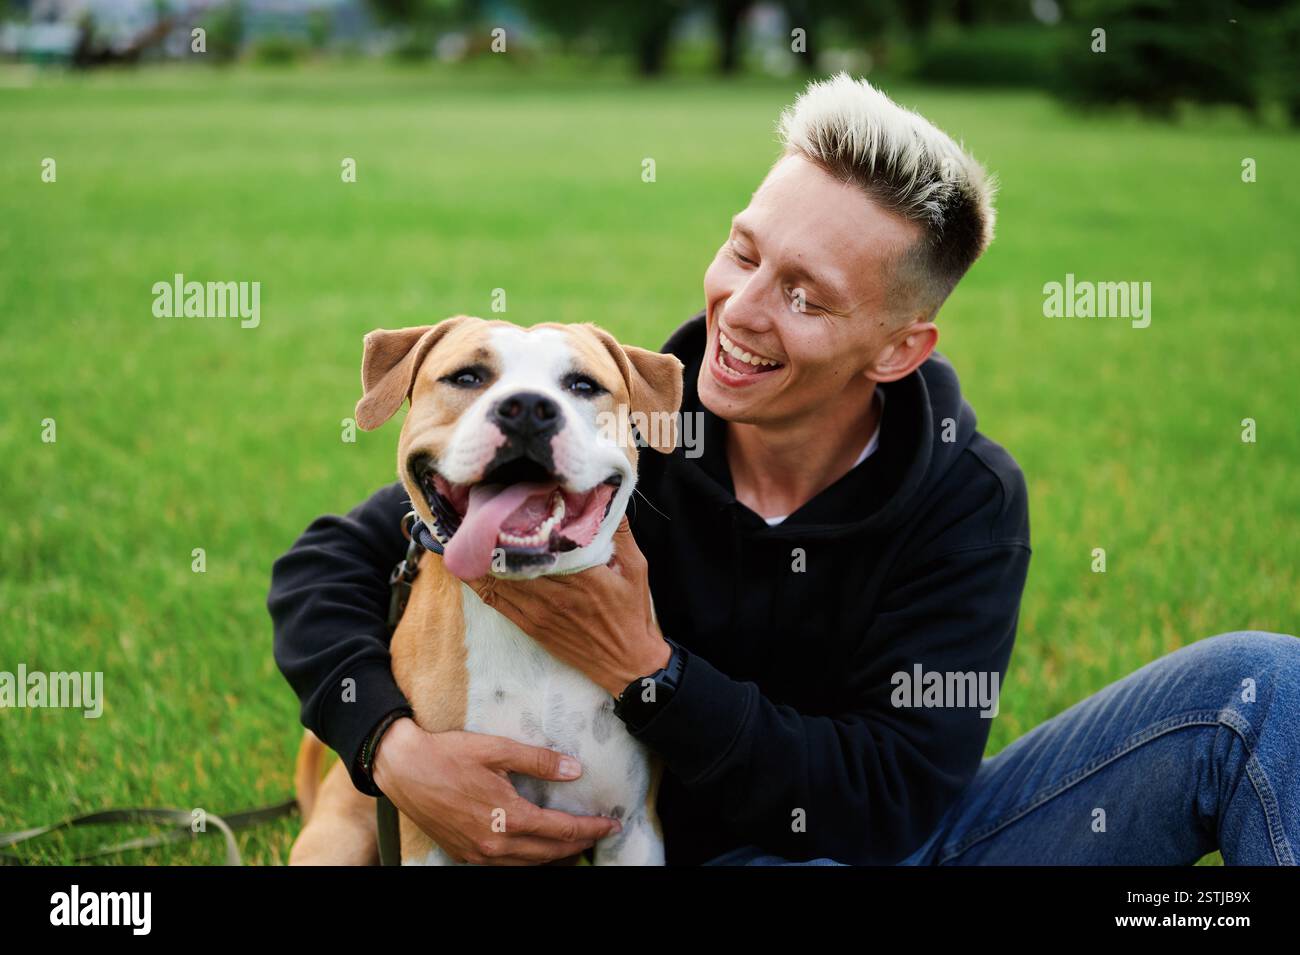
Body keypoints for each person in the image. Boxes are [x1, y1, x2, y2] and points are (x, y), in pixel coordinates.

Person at [269, 74, 1299, 866]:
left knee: (1262, 684)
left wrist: (651, 674)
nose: (743, 308)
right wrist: (392, 753)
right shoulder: (616, 437)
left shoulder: (964, 496)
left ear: (899, 349)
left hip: (905, 848)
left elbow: (893, 795)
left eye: (804, 294)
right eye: (744, 250)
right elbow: (329, 563)